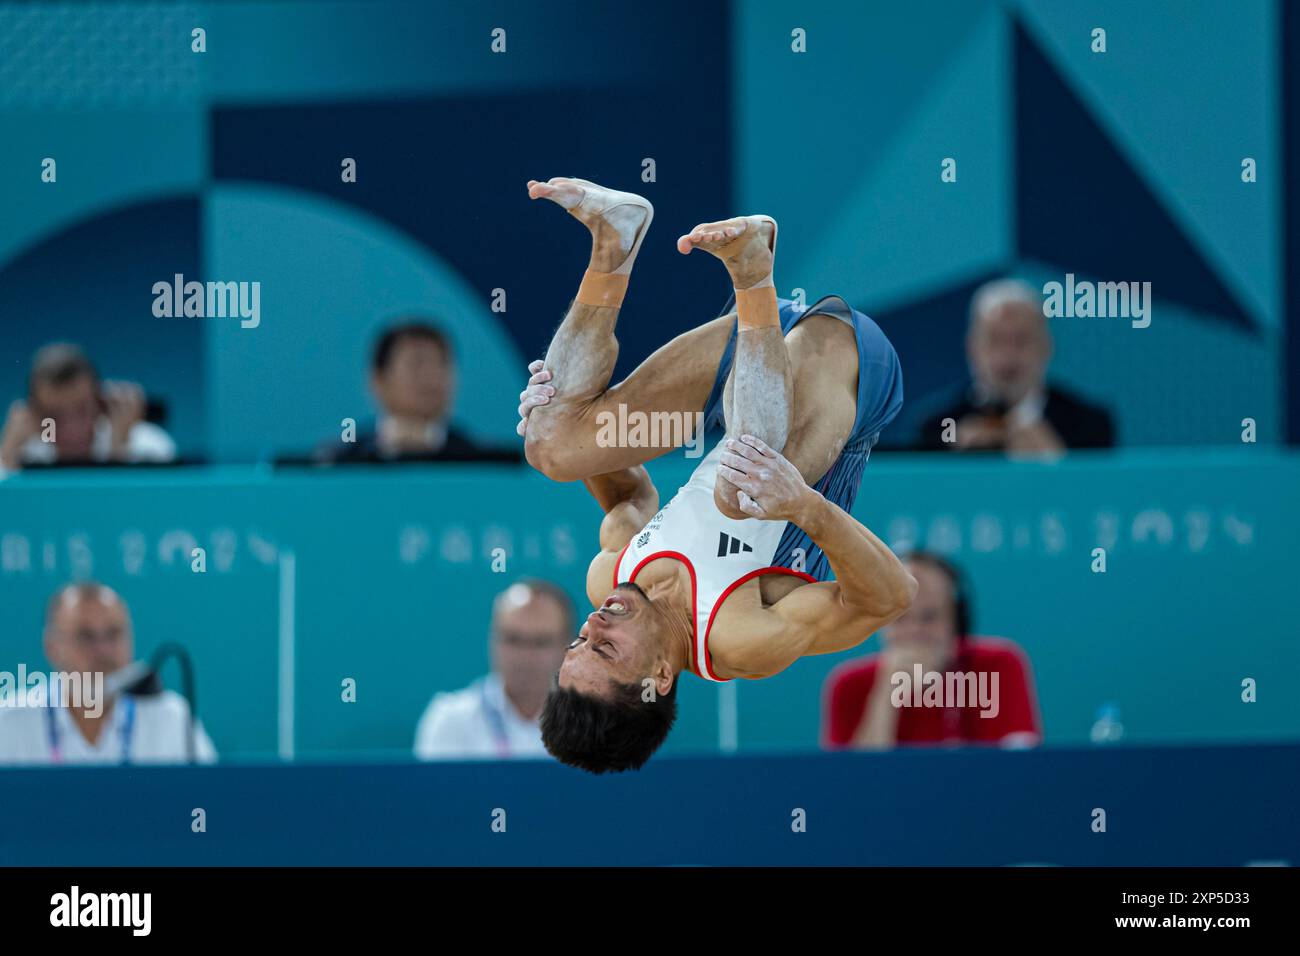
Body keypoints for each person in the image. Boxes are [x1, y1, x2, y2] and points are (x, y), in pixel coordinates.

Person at [516, 176, 915, 773]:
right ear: (655, 679)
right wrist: (805, 508)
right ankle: (753, 270)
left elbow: (626, 488)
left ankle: (613, 239)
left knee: (551, 448)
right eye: (603, 649)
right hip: (849, 378)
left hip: (752, 362)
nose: (592, 623)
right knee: (742, 493)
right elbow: (891, 599)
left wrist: (554, 411)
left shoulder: (611, 578)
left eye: (578, 641)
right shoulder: (739, 639)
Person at [821, 552, 1041, 750]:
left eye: (929, 617)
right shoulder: (849, 684)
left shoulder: (999, 666)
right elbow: (854, 785)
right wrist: (887, 693)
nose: (915, 631)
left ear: (957, 620)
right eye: (900, 618)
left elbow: (1022, 770)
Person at [0, 582, 217, 765]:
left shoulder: (172, 718)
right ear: (51, 647)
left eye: (114, 634)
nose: (102, 651)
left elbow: (212, 801)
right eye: (85, 636)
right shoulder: (7, 721)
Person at [914, 279, 1114, 454]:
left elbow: (1104, 494)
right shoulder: (936, 426)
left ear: (1046, 347)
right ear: (971, 348)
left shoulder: (1089, 425)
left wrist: (1056, 461)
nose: (1007, 357)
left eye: (1022, 340)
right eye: (995, 340)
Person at [414, 579, 573, 760]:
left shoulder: (590, 724)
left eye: (541, 642)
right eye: (513, 639)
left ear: (568, 646)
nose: (525, 655)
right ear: (493, 641)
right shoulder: (451, 720)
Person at [317, 320, 486, 461]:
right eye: (416, 365)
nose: (431, 378)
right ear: (378, 380)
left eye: (441, 365)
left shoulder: (479, 461)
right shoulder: (341, 461)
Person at [0, 343, 176, 474]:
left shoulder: (149, 446)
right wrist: (7, 455)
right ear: (34, 413)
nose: (71, 428)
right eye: (53, 416)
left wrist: (118, 451)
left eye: (81, 410)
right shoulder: (23, 452)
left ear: (100, 403)